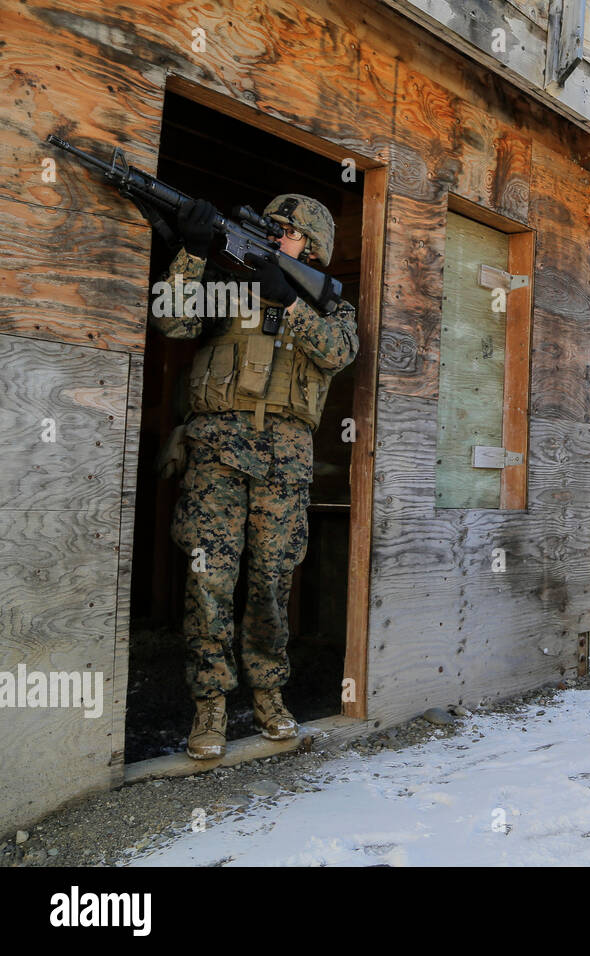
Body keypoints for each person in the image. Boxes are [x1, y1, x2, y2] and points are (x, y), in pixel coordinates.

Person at [151, 193, 359, 759]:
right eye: (271, 227)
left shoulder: (330, 307)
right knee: (209, 582)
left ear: (313, 249)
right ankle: (210, 706)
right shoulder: (230, 284)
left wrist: (287, 299)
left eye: (288, 231)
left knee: (270, 583)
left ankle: (268, 695)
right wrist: (194, 252)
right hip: (216, 455)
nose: (275, 235)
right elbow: (171, 322)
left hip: (283, 466)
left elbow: (339, 353)